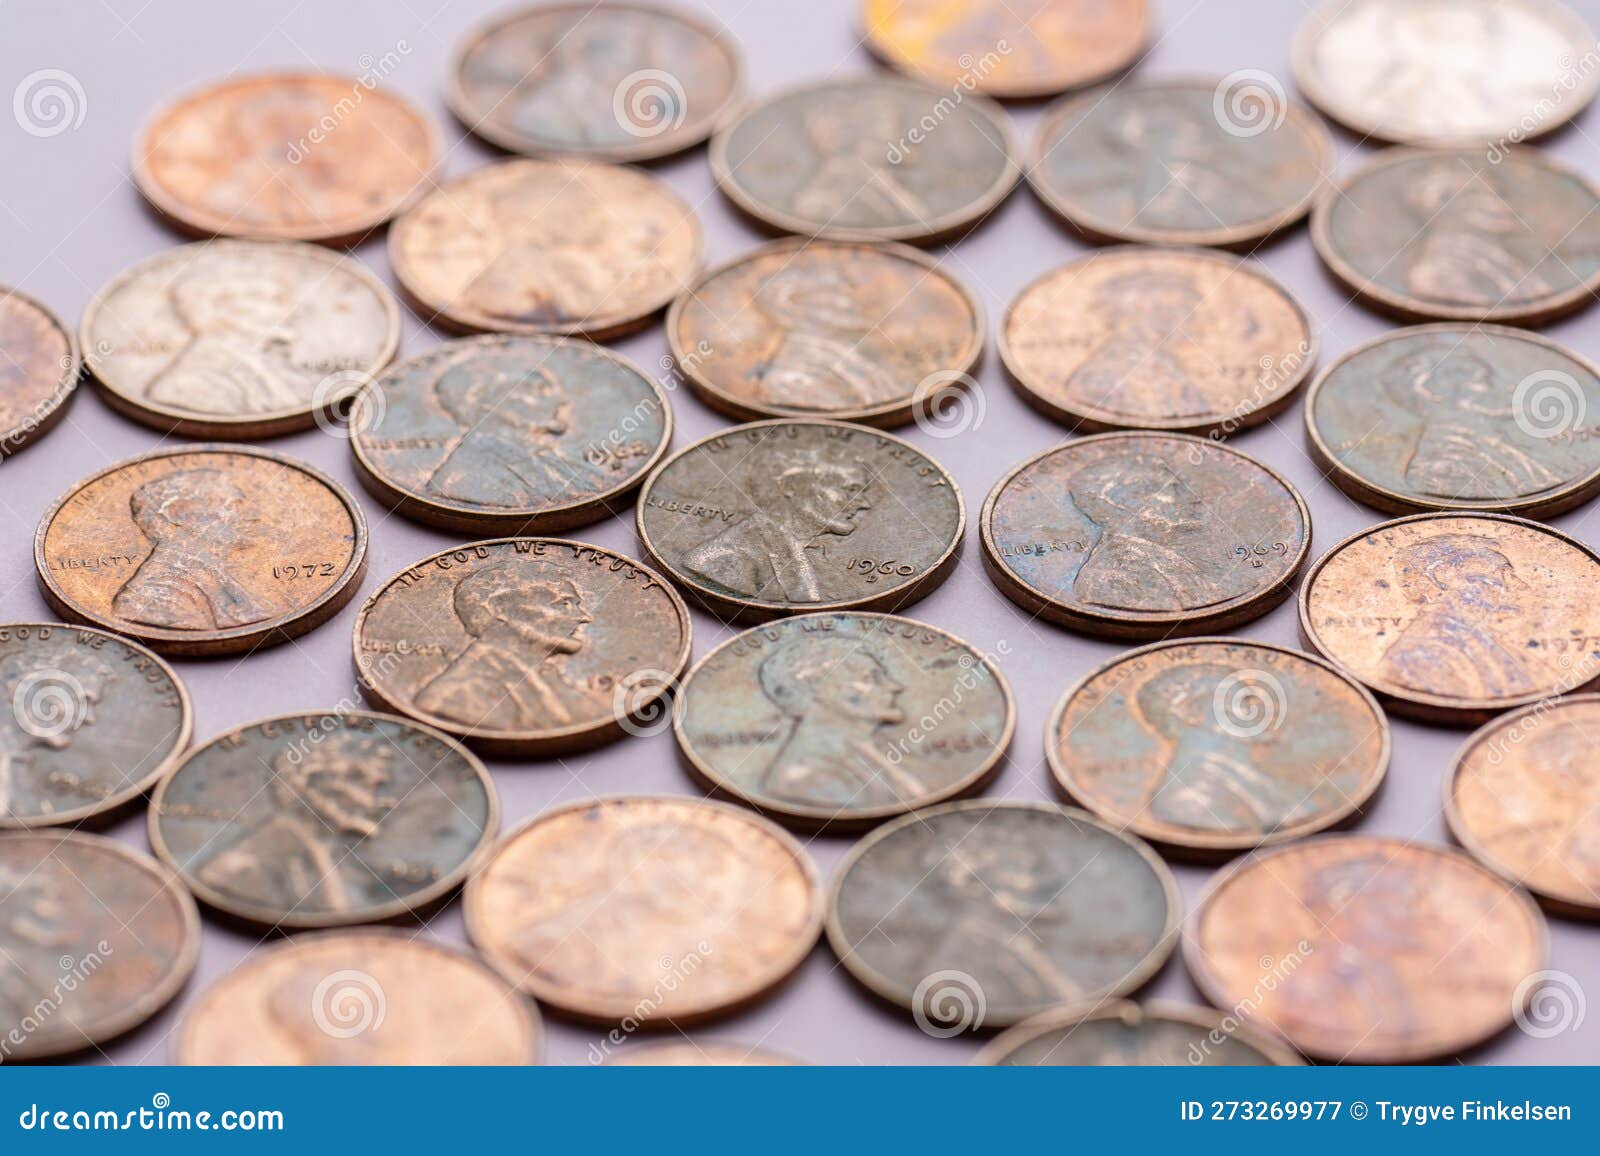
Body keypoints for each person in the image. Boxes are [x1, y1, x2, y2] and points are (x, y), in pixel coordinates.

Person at [194, 737, 399, 914]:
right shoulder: (243, 871)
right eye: (365, 784)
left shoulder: (319, 856)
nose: (381, 802)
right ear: (310, 783)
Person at [417, 562, 603, 732]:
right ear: (500, 610)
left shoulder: (548, 680)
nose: (585, 617)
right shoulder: (458, 697)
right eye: (564, 604)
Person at [682, 450, 873, 602]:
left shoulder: (811, 552)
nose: (863, 503)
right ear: (792, 487)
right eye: (851, 489)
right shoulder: (723, 561)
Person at [755, 635, 924, 807]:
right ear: (819, 689)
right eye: (871, 677)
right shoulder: (807, 778)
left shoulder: (864, 759)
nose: (895, 686)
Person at [1386, 349, 1562, 501]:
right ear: (1442, 394)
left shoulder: (1495, 450)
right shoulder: (1446, 467)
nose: (1508, 388)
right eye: (1484, 380)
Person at [1379, 533, 1537, 700]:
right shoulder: (1419, 657)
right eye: (1501, 573)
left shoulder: (1476, 638)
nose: (1522, 587)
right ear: (1443, 575)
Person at [113, 469, 271, 631]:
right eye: (232, 505)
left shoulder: (214, 578)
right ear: (178, 514)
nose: (253, 515)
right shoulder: (157, 598)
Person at [1067, 455, 1227, 611]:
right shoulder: (1111, 578)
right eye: (1170, 488)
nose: (1193, 498)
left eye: (1181, 486)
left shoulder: (1164, 559)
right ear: (1121, 503)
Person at [425, 353, 585, 507]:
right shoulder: (463, 480)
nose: (561, 401)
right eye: (539, 389)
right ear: (486, 401)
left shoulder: (551, 460)